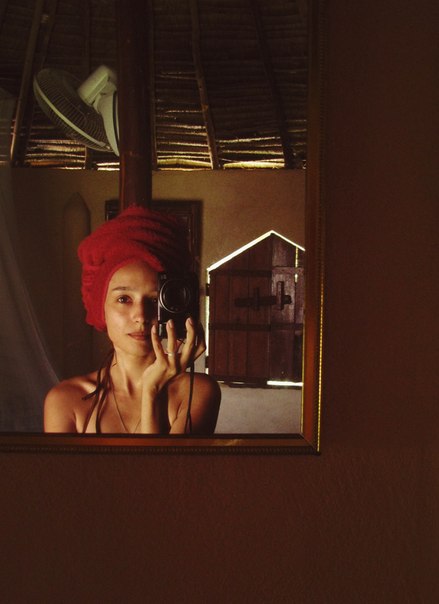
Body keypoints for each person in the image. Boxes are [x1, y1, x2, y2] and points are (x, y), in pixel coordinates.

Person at [44, 205, 221, 434]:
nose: (141, 316)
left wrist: (152, 391)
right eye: (124, 299)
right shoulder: (66, 400)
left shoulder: (197, 392)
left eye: (154, 300)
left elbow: (165, 461)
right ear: (100, 307)